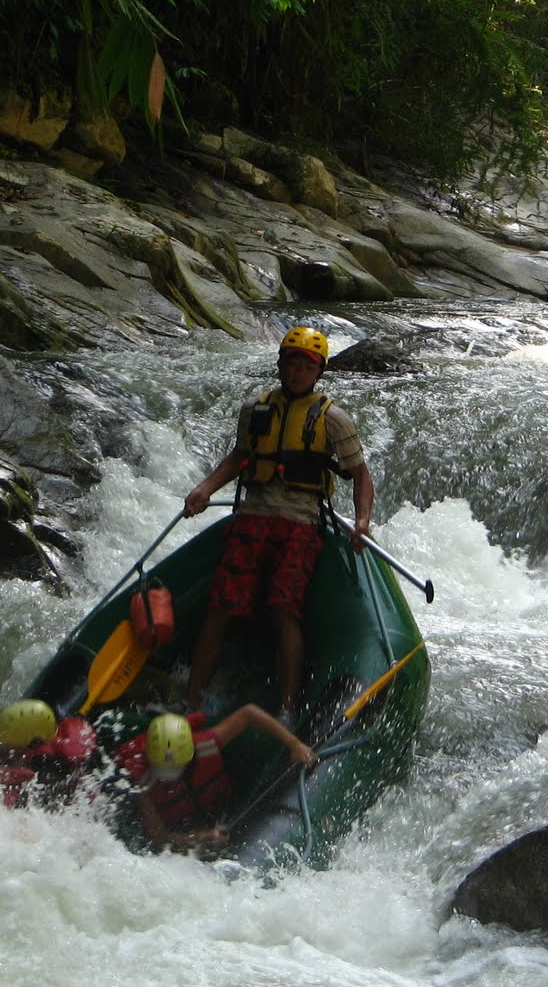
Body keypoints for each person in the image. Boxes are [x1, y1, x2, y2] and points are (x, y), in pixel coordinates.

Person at [181, 326, 373, 725]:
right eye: (292, 362)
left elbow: (361, 475)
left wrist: (362, 521)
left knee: (285, 611)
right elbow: (238, 457)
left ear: (318, 371)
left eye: (307, 364)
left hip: (299, 525)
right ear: (281, 365)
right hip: (252, 518)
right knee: (221, 609)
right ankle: (191, 699)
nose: (298, 370)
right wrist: (205, 488)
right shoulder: (255, 409)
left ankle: (287, 707)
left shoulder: (333, 419)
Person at [118, 706, 317, 852]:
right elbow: (158, 836)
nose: (169, 776)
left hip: (224, 811)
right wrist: (200, 838)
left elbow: (248, 714)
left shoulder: (205, 744)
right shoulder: (141, 781)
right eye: (163, 768)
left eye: (175, 768)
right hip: (186, 832)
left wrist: (294, 744)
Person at [0, 697, 97, 808]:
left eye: (6, 741)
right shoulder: (64, 737)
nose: (0, 743)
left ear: (32, 741)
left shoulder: (43, 765)